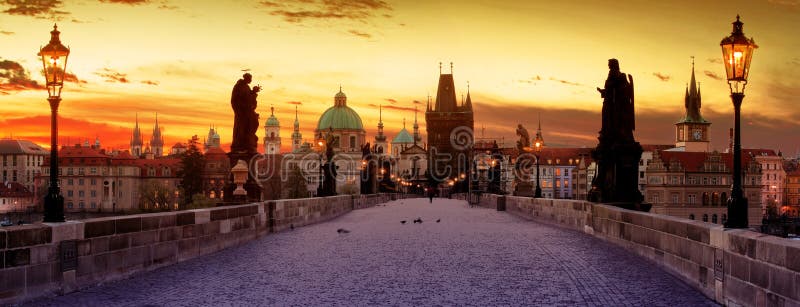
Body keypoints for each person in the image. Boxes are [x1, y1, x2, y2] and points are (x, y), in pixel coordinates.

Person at [230, 73, 261, 153]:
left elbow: (248, 97)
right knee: (242, 128)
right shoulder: (239, 86)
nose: (251, 80)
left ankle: (249, 142)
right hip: (242, 112)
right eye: (250, 78)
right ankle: (241, 145)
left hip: (247, 111)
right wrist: (243, 107)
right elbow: (237, 99)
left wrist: (253, 92)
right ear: (246, 78)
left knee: (254, 123)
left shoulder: (246, 87)